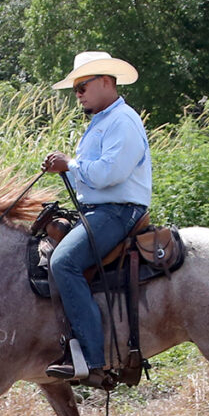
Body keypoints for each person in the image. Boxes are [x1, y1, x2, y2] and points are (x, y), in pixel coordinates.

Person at [41, 51, 151, 381]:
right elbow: (90, 176)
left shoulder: (123, 121)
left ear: (106, 82)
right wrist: (66, 169)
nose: (78, 94)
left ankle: (92, 358)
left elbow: (109, 174)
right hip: (100, 210)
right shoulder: (102, 122)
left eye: (82, 85)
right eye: (75, 88)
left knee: (63, 263)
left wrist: (70, 164)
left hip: (118, 212)